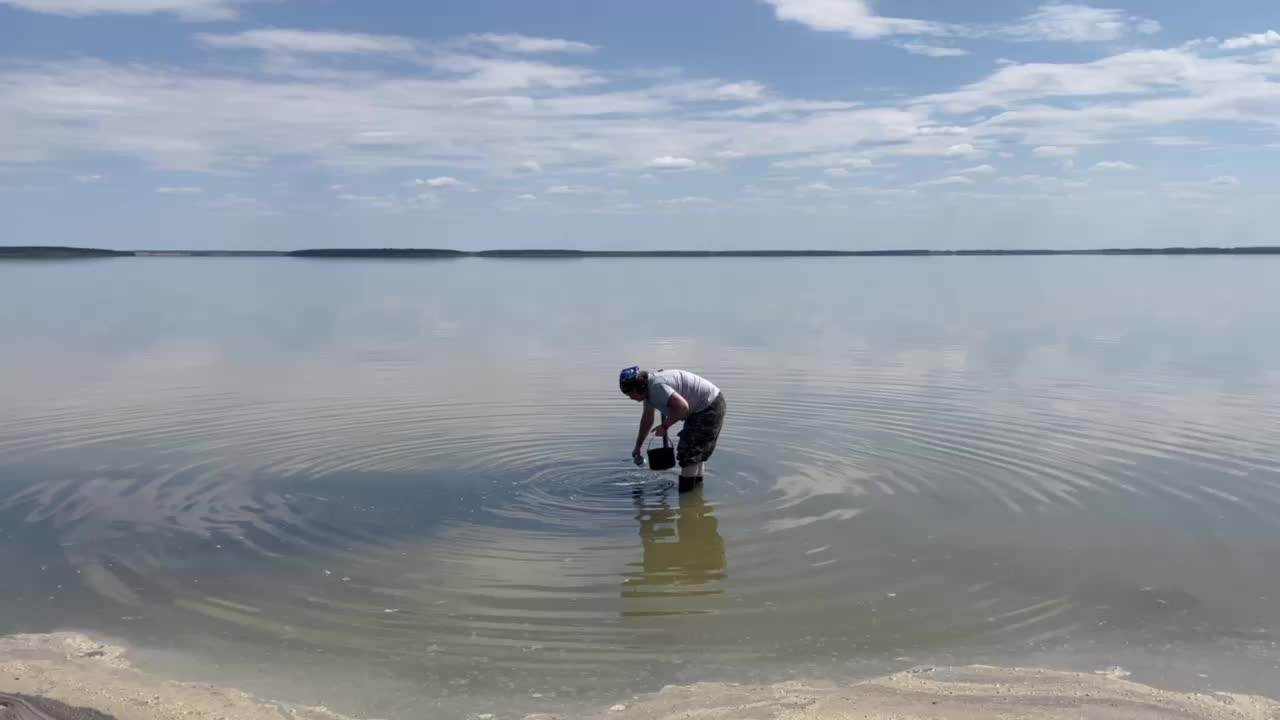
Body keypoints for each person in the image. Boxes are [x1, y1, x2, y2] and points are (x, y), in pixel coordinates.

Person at [619, 366, 727, 492]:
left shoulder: (657, 387)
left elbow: (683, 407)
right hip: (705, 406)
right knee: (696, 455)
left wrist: (664, 426)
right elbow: (647, 420)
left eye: (631, 393)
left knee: (688, 455)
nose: (631, 398)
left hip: (709, 406)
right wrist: (638, 446)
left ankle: (687, 498)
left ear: (639, 387)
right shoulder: (648, 393)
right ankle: (695, 499)